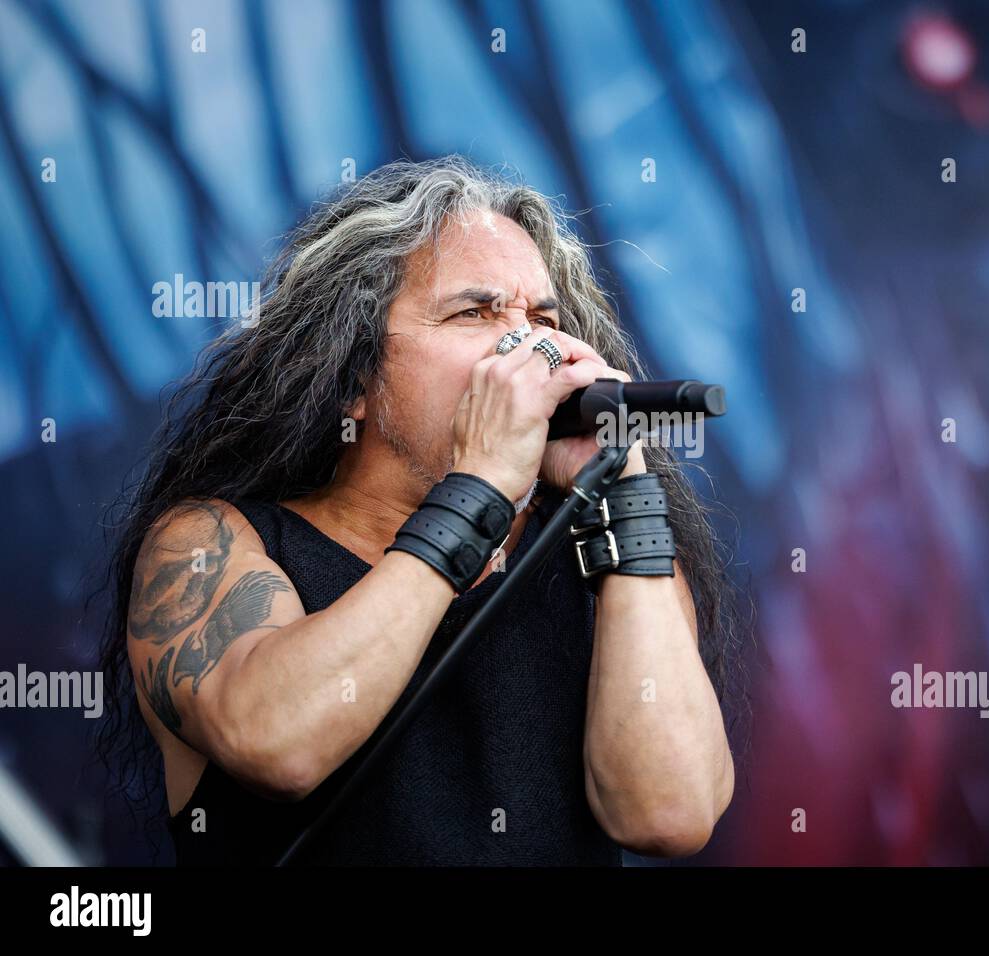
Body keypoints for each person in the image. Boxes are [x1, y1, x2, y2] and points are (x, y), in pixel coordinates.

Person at [98, 157, 741, 865]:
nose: (532, 348)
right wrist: (480, 488)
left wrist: (623, 487)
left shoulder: (604, 558)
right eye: (476, 312)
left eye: (544, 320)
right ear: (353, 378)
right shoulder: (210, 543)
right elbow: (277, 744)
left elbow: (669, 814)